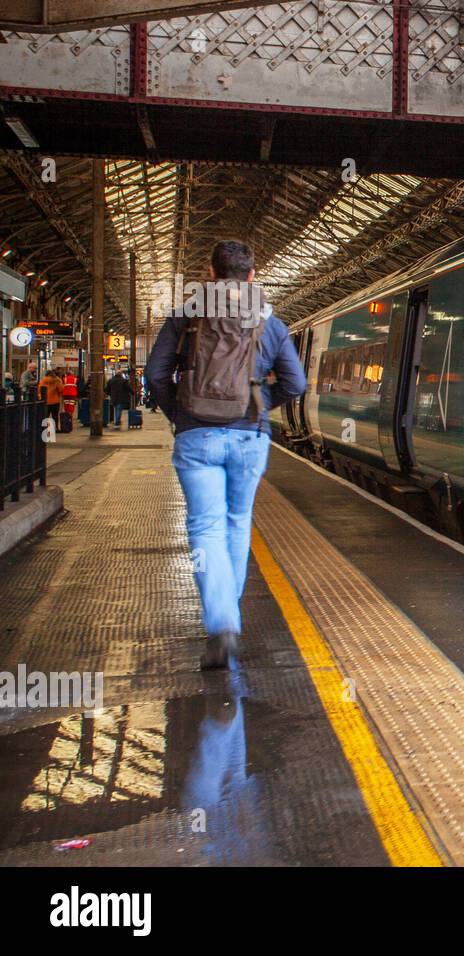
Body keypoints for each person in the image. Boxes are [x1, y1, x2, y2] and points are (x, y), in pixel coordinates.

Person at [146, 240, 306, 669]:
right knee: (237, 523)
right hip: (248, 437)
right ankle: (227, 617)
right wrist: (256, 404)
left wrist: (181, 414)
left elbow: (155, 374)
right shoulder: (269, 320)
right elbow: (295, 383)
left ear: (211, 273)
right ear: (252, 275)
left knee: (205, 527)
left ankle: (222, 623)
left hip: (197, 436)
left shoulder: (185, 315)